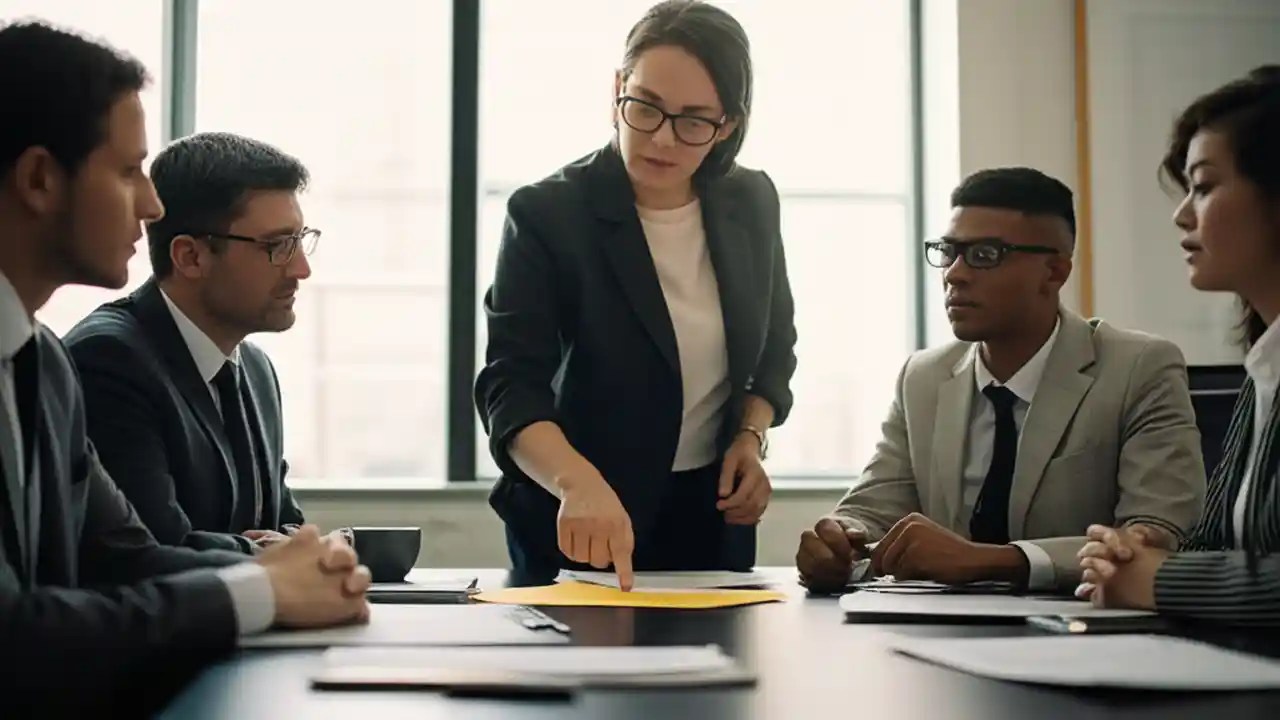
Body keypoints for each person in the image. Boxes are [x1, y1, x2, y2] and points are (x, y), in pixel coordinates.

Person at [0, 20, 369, 713]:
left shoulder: (40, 362)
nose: (152, 207)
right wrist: (261, 587)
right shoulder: (97, 355)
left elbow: (124, 556)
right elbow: (12, 635)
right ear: (40, 179)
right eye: (127, 171)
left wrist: (295, 572)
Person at [475, 0, 797, 589]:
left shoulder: (750, 202)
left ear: (728, 125)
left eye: (694, 120)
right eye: (645, 106)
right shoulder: (547, 214)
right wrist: (576, 481)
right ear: (618, 88)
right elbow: (510, 386)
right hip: (577, 522)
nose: (662, 139)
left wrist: (751, 437)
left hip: (708, 521)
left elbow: (776, 352)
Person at [796, 168, 1205, 594]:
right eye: (948, 251)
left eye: (984, 255)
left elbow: (1157, 536)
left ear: (1054, 272)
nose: (955, 274)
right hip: (939, 633)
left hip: (1080, 635)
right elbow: (873, 508)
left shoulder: (1138, 368)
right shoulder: (923, 377)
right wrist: (839, 539)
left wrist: (991, 561)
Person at [1079, 66, 1280, 624]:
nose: (1181, 213)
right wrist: (1132, 554)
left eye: (1206, 185)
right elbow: (1217, 544)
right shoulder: (1267, 362)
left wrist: (1162, 578)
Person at [64, 132, 314, 554]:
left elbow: (285, 527)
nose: (301, 268)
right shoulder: (108, 360)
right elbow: (153, 553)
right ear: (190, 257)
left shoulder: (254, 369)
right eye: (277, 246)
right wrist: (262, 554)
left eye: (300, 240)